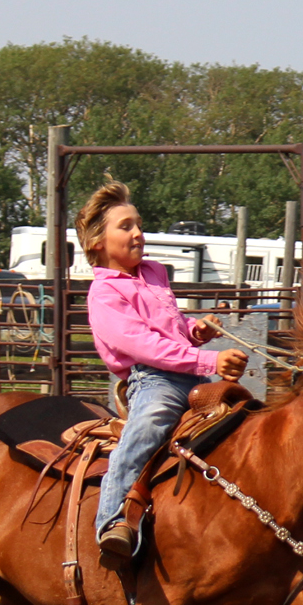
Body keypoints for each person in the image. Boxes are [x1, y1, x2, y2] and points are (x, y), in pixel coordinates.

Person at [76, 179, 248, 558]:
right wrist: (209, 359)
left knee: (244, 419)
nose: (138, 232)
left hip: (189, 373)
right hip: (153, 381)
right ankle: (114, 519)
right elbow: (142, 345)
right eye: (125, 226)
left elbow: (167, 327)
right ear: (97, 243)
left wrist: (194, 331)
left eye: (138, 224)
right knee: (148, 426)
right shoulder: (104, 293)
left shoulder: (153, 272)